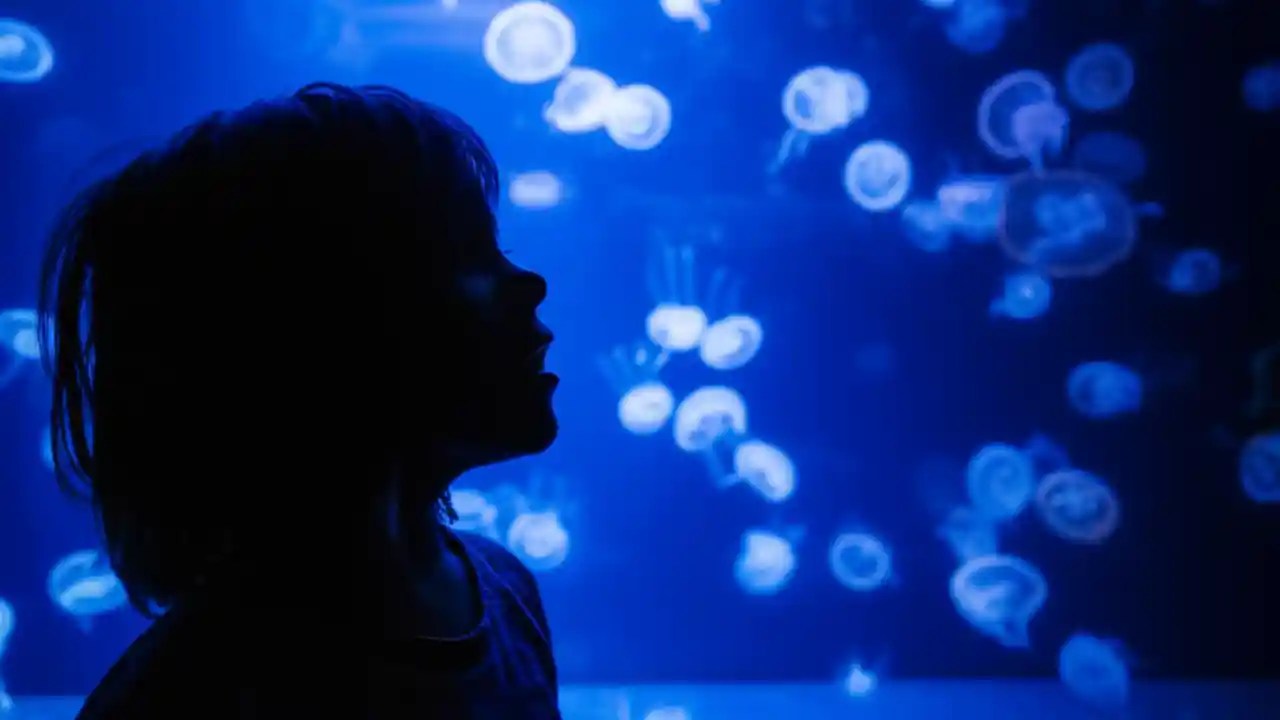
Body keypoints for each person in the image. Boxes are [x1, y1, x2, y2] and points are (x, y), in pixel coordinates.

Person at [40, 83, 562, 719]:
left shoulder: (507, 594)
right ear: (323, 322)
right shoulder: (186, 698)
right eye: (467, 254)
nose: (530, 283)